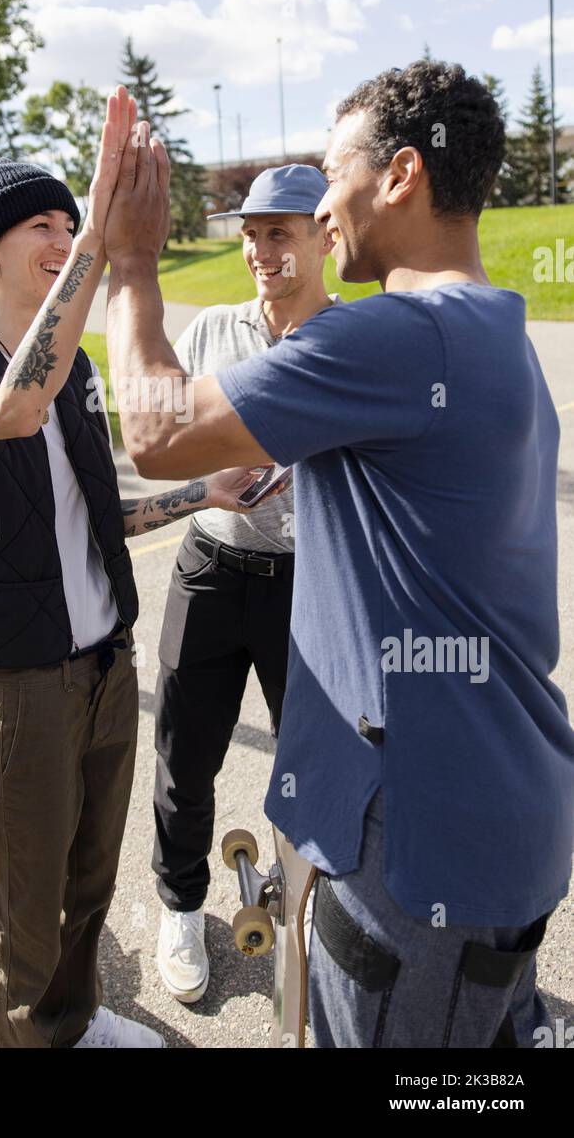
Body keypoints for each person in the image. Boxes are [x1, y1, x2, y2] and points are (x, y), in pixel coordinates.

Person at [103, 61, 574, 1048]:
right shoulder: (492, 327)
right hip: (495, 808)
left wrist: (133, 264)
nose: (321, 213)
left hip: (424, 840)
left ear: (402, 174)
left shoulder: (403, 332)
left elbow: (151, 433)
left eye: (332, 175)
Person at [0, 88, 270, 1050]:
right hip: (19, 686)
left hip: (105, 667)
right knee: (19, 908)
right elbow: (12, 408)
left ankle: (73, 1020)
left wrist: (204, 495)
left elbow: (102, 515)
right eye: (41, 224)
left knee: (87, 882)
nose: (64, 235)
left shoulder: (80, 377)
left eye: (72, 220)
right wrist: (105, 241)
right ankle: (23, 1035)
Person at [154, 165, 336, 1003]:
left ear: (324, 236)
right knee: (185, 756)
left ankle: (309, 913)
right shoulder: (211, 331)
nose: (260, 248)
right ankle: (181, 904)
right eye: (251, 232)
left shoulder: (353, 340)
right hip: (211, 569)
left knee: (310, 766)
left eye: (280, 232)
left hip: (311, 586)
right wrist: (212, 467)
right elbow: (166, 442)